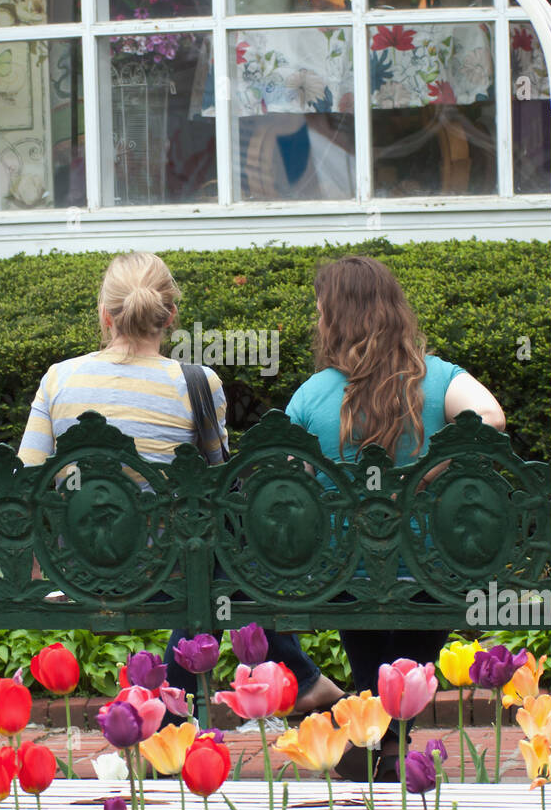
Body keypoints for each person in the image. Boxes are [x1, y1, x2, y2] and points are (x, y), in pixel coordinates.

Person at [18, 250, 341, 720]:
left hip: (78, 569)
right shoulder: (197, 381)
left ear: (105, 316)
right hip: (167, 572)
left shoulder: (58, 379)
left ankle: (168, 711)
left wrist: (39, 567)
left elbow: (26, 483)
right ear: (170, 315)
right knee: (224, 560)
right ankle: (293, 681)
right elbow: (215, 486)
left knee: (206, 566)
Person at [285, 254, 505, 779]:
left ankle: (370, 734)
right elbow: (492, 418)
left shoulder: (312, 394)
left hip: (342, 574)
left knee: (363, 613)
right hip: (428, 569)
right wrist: (431, 469)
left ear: (333, 318)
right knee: (415, 616)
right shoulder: (439, 379)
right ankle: (385, 740)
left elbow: (285, 482)